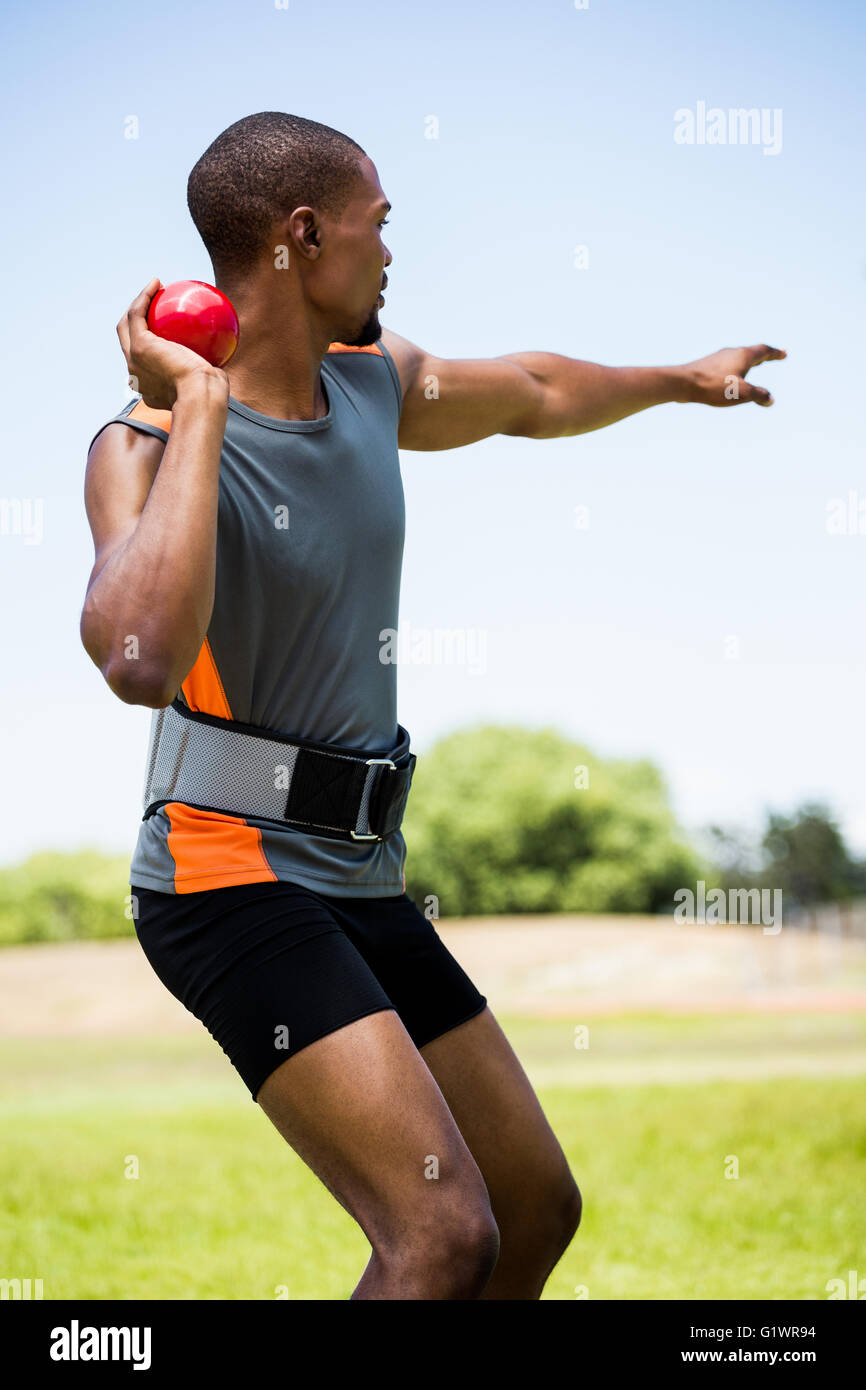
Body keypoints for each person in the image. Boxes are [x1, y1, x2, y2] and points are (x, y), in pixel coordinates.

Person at [80, 111, 785, 1301]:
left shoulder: (374, 381)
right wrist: (197, 405)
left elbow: (534, 389)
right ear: (304, 236)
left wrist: (678, 380)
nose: (393, 253)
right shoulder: (140, 444)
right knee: (441, 1233)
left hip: (358, 874)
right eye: (379, 225)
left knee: (530, 1203)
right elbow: (140, 656)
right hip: (226, 877)